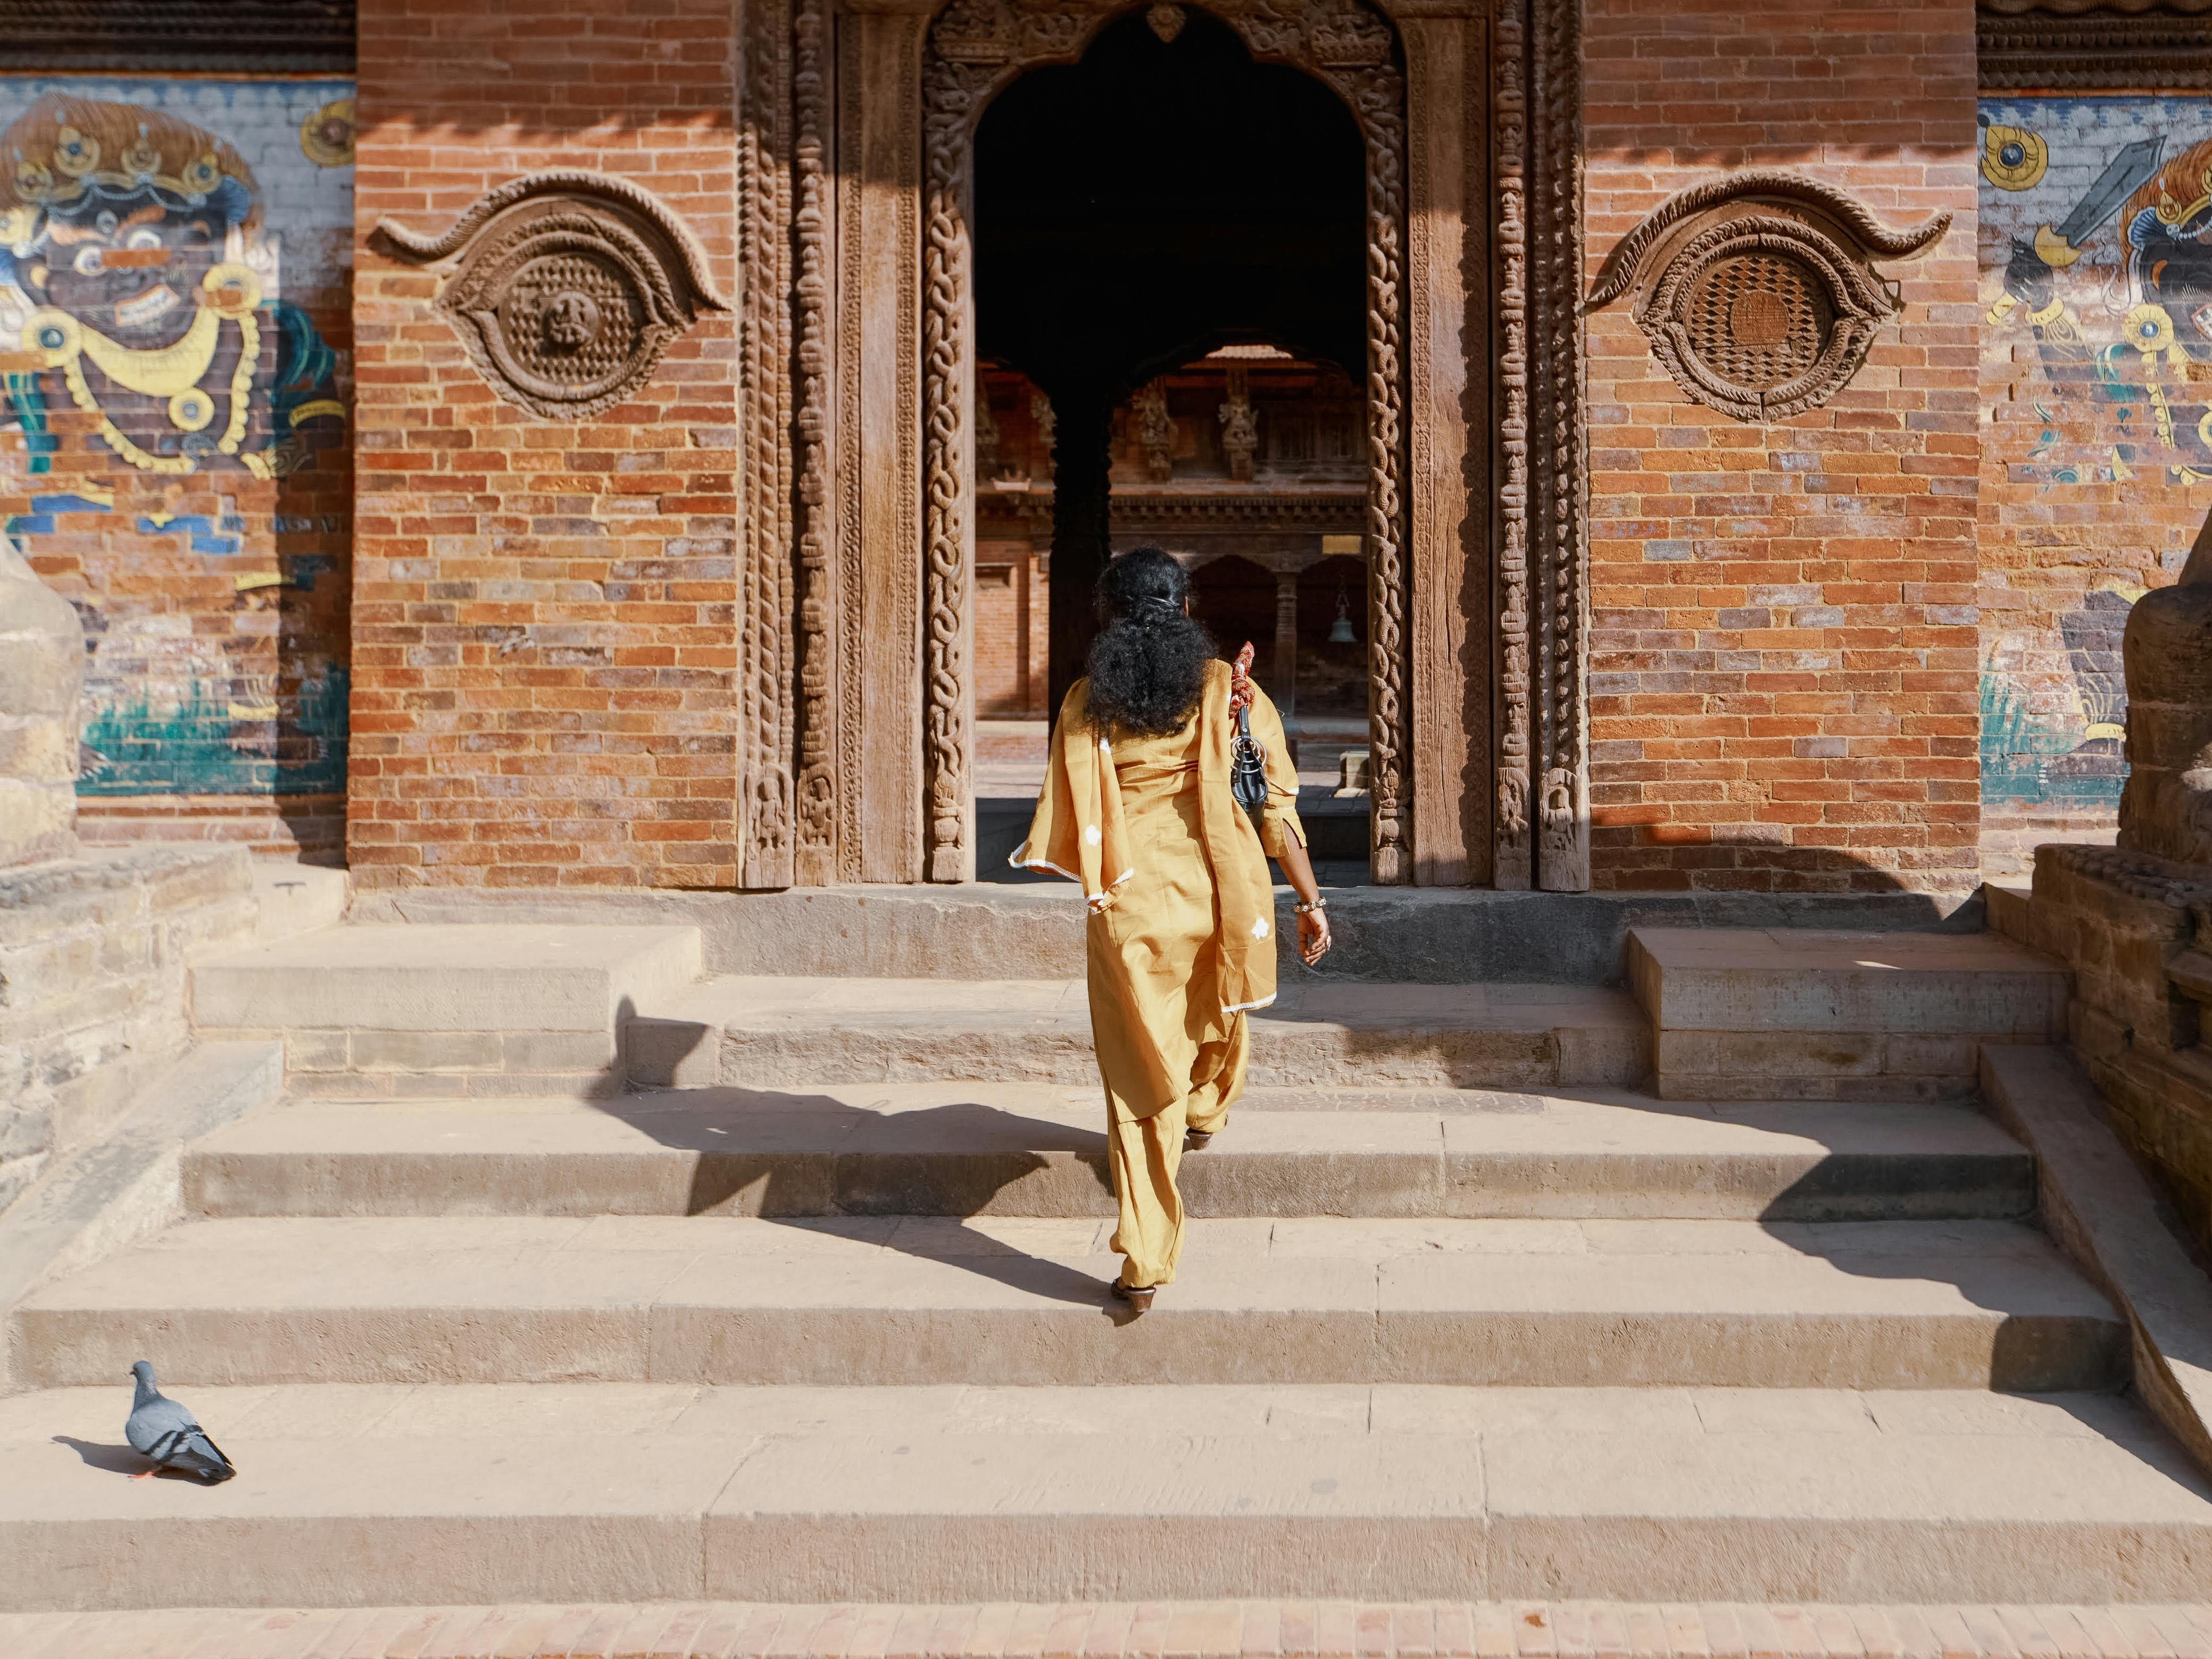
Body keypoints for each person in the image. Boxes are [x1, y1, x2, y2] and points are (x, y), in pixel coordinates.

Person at [1013, 546, 1333, 1312]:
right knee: (1224, 1002)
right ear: (1186, 608)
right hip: (1224, 893)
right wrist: (1310, 899)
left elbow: (1069, 809)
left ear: (1112, 618)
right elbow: (1274, 808)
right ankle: (1206, 1105)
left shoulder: (1087, 702)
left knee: (1137, 1074)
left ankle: (1146, 1255)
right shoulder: (1232, 694)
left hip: (1127, 908)